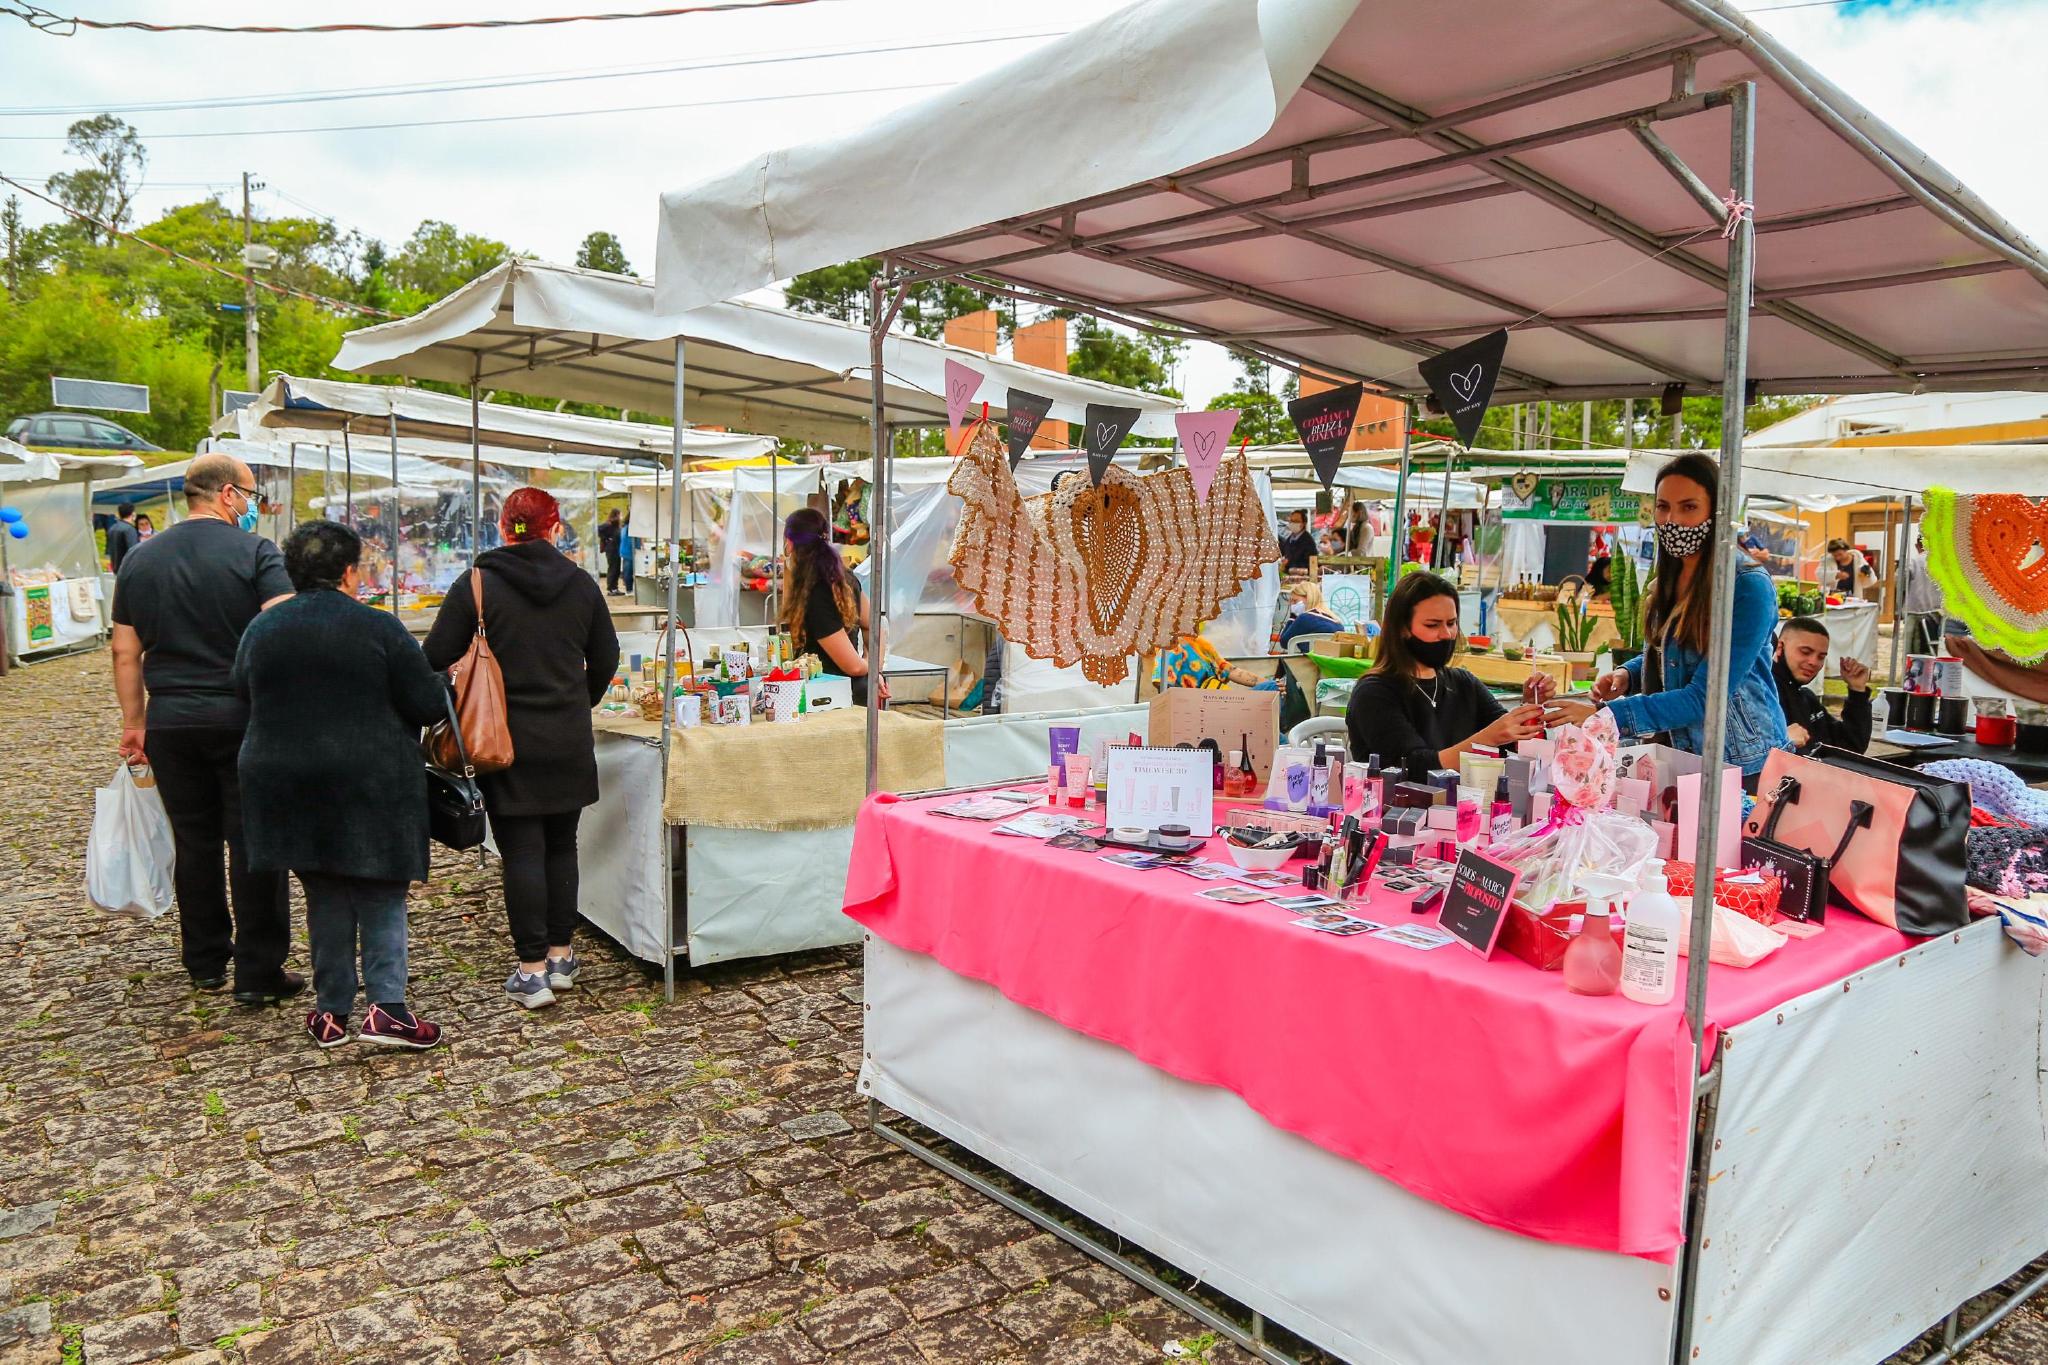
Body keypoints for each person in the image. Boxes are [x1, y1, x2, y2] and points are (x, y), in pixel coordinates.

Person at [234, 521, 449, 1049]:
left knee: (324, 889)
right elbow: (426, 704)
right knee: (381, 889)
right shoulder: (379, 627)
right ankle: (387, 1010)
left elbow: (241, 690)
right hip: (372, 779)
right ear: (350, 572)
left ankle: (331, 1012)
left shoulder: (262, 629)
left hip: (287, 780)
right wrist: (445, 682)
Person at [108, 453, 300, 1003]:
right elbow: (283, 629)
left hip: (171, 719)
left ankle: (206, 960)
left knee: (194, 842)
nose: (254, 505)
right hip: (244, 716)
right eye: (251, 494)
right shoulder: (256, 552)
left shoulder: (140, 559)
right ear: (227, 494)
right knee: (254, 842)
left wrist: (134, 722)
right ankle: (258, 972)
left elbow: (124, 651)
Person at [425, 488, 619, 1011]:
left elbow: (434, 655)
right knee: (562, 844)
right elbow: (607, 655)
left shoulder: (478, 584)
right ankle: (560, 956)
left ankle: (531, 971)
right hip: (567, 736)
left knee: (522, 852)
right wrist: (579, 698)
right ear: (555, 529)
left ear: (501, 527)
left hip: (502, 739)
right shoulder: (581, 584)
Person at [1545, 453, 1788, 785]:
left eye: (1689, 507)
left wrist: (1605, 716)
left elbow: (1705, 696)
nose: (1672, 520)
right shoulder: (1671, 576)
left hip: (1742, 765)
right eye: (1663, 507)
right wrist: (1628, 674)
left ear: (1717, 511)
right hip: (1677, 754)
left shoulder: (1747, 585)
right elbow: (1677, 655)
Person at [1346, 570, 1544, 772]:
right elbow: (1413, 767)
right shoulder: (1374, 693)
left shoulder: (1464, 683)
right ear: (1402, 628)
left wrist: (1531, 710)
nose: (1447, 634)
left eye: (1452, 623)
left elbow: (1515, 745)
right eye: (1432, 625)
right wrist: (1488, 739)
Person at [780, 506, 888, 703]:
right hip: (848, 691)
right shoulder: (843, 578)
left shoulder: (816, 591)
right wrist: (874, 669)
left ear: (789, 543)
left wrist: (870, 667)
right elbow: (875, 626)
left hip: (830, 697)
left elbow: (853, 666)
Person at [1772, 616, 1871, 754]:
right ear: (1780, 647)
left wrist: (1857, 691)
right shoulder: (1764, 696)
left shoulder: (1807, 698)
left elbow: (1851, 747)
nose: (1813, 662)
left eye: (1821, 657)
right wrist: (1782, 741)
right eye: (1805, 652)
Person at [1156, 626, 1279, 690]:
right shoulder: (1170, 648)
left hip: (1221, 700)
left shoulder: (1200, 643)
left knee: (1274, 687)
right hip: (1199, 707)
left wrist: (1271, 684)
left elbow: (1231, 671)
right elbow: (1162, 685)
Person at [1902, 533, 1945, 655]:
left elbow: (1902, 583)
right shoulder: (1942, 562)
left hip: (1914, 611)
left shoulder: (1913, 561)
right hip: (1937, 612)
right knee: (1936, 646)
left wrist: (1899, 608)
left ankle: (1910, 666)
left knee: (1911, 648)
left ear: (1917, 545)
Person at [1279, 581, 1343, 649]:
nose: (1291, 604)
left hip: (1309, 655)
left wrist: (1293, 615)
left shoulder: (1305, 618)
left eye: (1295, 601)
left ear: (1308, 598)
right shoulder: (1337, 621)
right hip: (1330, 655)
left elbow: (1284, 643)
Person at [1826, 537, 1879, 601]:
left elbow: (1871, 580)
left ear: (1846, 550)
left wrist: (1866, 574)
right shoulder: (1830, 561)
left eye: (1840, 554)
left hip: (1853, 598)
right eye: (1835, 555)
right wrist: (1835, 575)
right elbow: (1822, 577)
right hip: (1833, 597)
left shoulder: (1858, 560)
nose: (1837, 558)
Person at [1277, 509, 1317, 575]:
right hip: (1288, 575)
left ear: (1304, 523)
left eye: (1296, 521)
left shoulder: (1308, 541)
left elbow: (1310, 562)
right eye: (1291, 521)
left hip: (1302, 576)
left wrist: (1288, 564)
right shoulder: (1289, 539)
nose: (1292, 523)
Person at [105, 502, 140, 573]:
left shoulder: (112, 528)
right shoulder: (129, 529)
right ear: (133, 514)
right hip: (128, 569)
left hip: (116, 568)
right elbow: (133, 550)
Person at [598, 508, 624, 596]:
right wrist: (606, 539)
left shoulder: (616, 525)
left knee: (616, 569)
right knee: (613, 568)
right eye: (620, 514)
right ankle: (611, 588)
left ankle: (614, 587)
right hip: (611, 549)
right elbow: (598, 529)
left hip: (616, 549)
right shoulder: (609, 524)